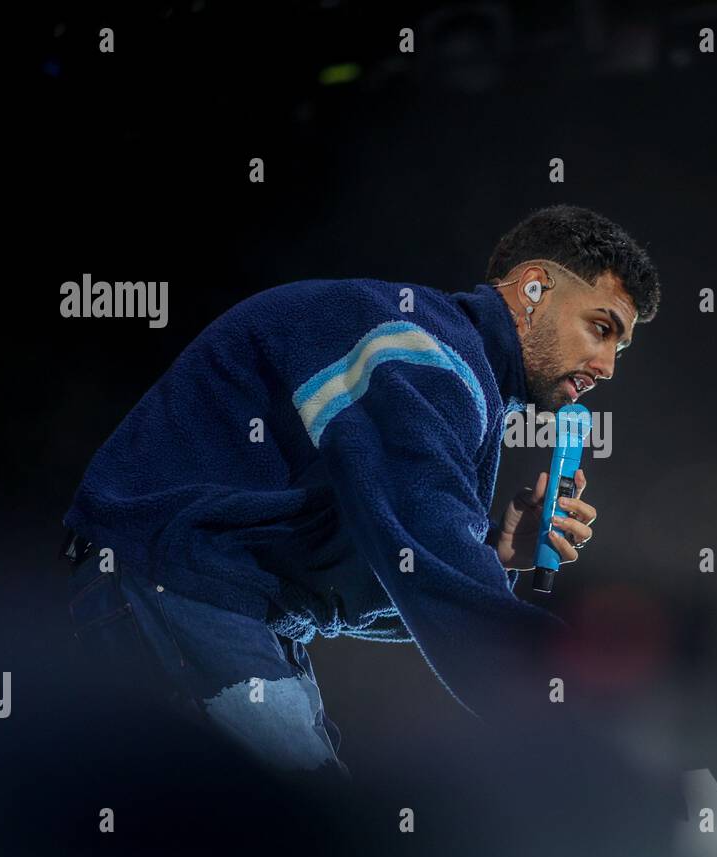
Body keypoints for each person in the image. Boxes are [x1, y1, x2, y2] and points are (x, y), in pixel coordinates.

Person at [60, 204, 661, 788]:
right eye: (601, 327)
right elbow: (423, 550)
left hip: (197, 596)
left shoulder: (452, 372)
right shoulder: (418, 347)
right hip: (176, 584)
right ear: (533, 289)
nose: (608, 365)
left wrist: (496, 550)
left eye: (620, 347)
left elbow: (384, 560)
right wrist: (567, 707)